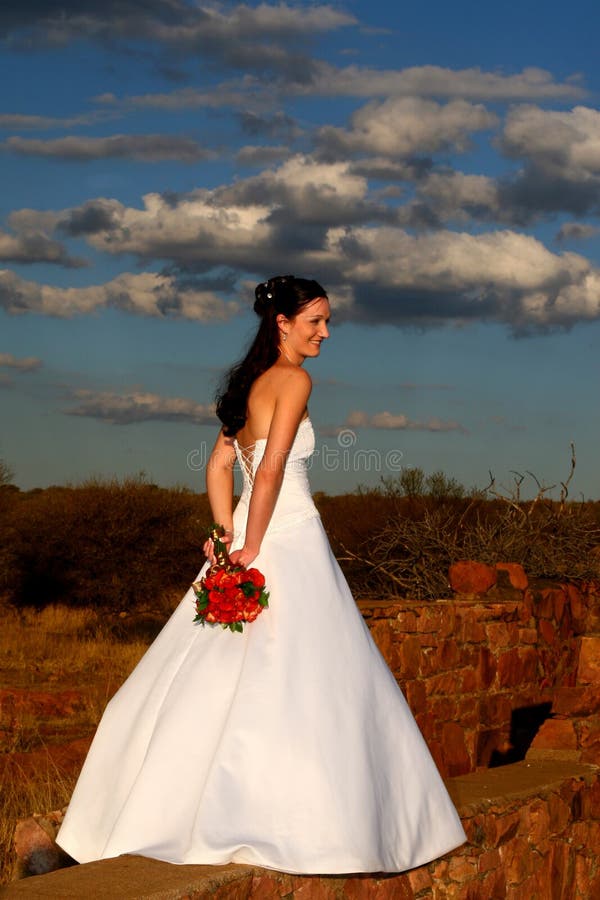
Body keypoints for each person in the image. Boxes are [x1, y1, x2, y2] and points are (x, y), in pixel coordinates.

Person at [56, 275, 466, 874]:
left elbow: (221, 464)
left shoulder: (248, 386)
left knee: (222, 670)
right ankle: (316, 828)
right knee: (307, 675)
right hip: (285, 533)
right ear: (283, 322)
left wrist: (224, 532)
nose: (325, 332)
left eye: (327, 323)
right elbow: (270, 469)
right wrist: (250, 544)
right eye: (315, 322)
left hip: (250, 530)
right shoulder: (295, 380)